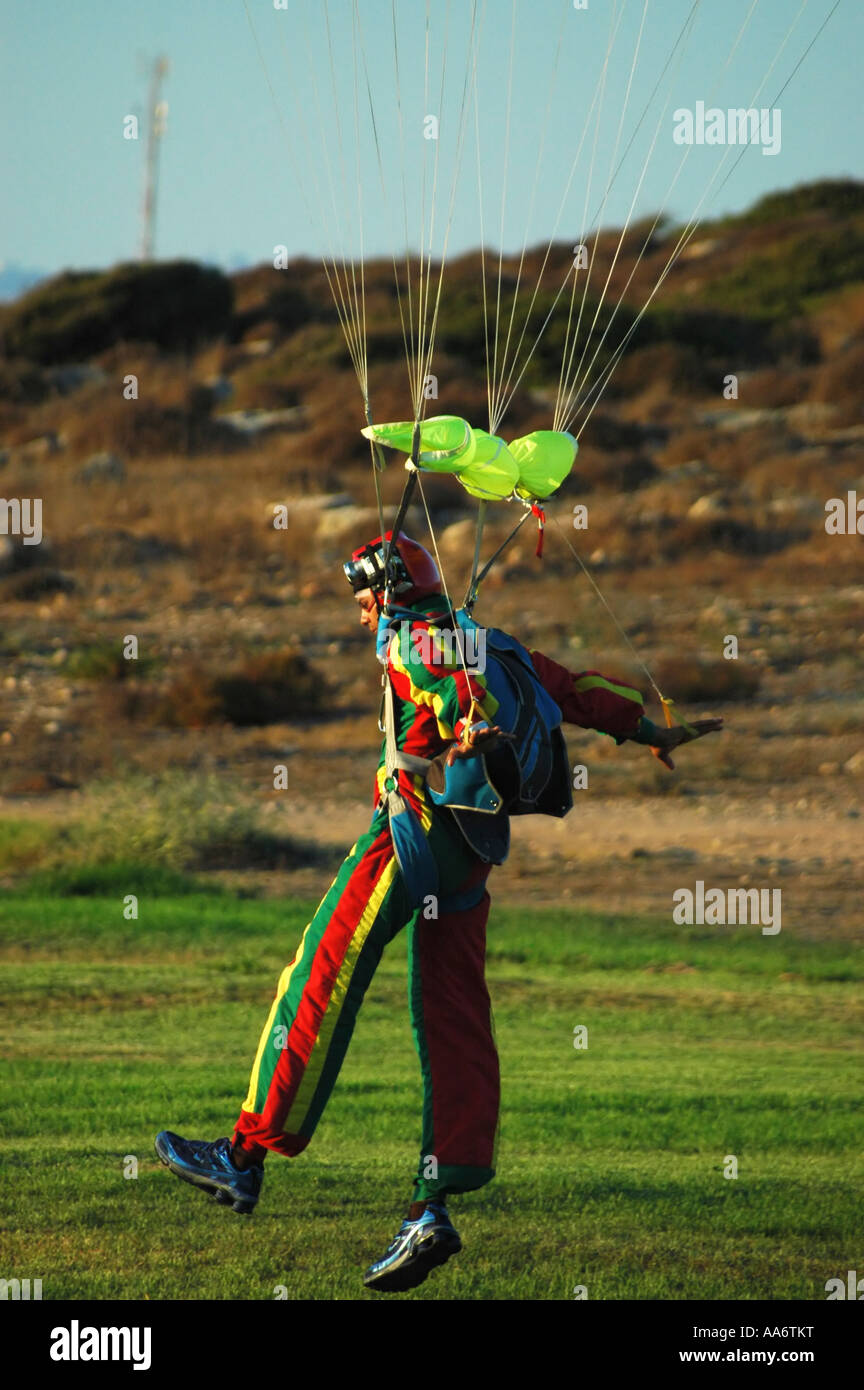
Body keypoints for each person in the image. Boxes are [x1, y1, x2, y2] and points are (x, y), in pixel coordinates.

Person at [155, 531, 721, 1293]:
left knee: (318, 979)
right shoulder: (488, 638)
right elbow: (576, 689)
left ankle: (243, 1157)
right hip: (473, 851)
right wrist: (651, 727)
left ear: (389, 594)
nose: (362, 618)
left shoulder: (415, 641)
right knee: (454, 1020)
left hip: (411, 835)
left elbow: (457, 696)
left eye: (364, 601)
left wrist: (466, 725)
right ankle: (432, 1208)